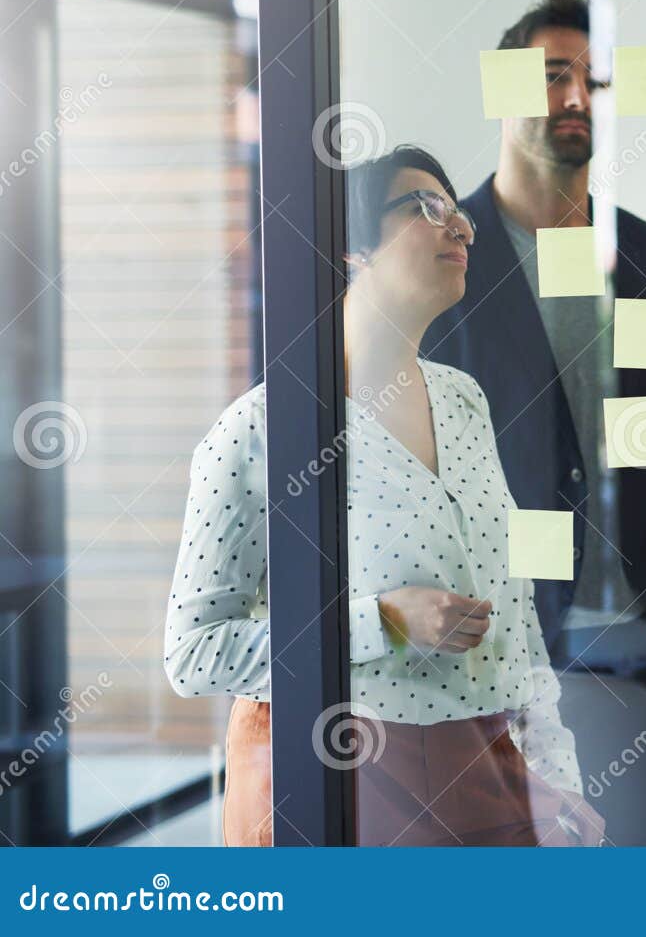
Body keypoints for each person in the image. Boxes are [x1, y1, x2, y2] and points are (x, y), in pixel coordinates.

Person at [165, 146, 602, 848]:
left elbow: (513, 607)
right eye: (425, 208)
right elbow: (193, 653)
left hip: (481, 761)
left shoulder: (463, 401)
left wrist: (558, 774)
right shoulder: (260, 430)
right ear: (351, 250)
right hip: (331, 771)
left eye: (459, 212)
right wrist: (383, 623)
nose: (460, 227)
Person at [421, 0, 646, 846]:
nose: (578, 97)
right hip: (494, 641)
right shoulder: (448, 253)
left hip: (638, 635)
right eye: (554, 75)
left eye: (597, 80)